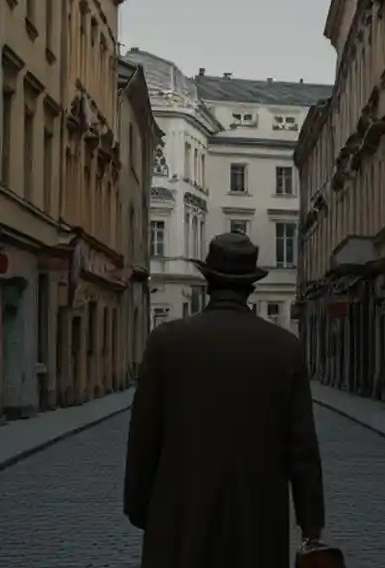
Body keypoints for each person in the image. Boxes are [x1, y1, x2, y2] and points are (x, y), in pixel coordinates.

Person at [124, 232, 326, 568]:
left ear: (209, 282)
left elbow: (143, 436)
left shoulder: (166, 342)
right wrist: (311, 525)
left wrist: (139, 505)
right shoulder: (283, 347)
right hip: (257, 521)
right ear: (251, 287)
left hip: (179, 519)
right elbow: (302, 448)